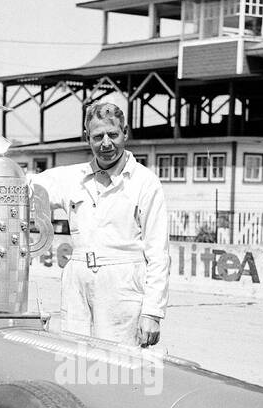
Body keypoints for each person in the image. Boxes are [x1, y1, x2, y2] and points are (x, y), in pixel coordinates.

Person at [31, 91, 169, 347]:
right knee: (74, 360)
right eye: (98, 137)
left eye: (113, 135)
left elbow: (158, 253)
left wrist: (153, 312)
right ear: (87, 138)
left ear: (125, 133)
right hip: (77, 279)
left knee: (118, 365)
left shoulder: (145, 183)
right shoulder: (71, 177)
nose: (106, 143)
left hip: (123, 283)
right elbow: (23, 185)